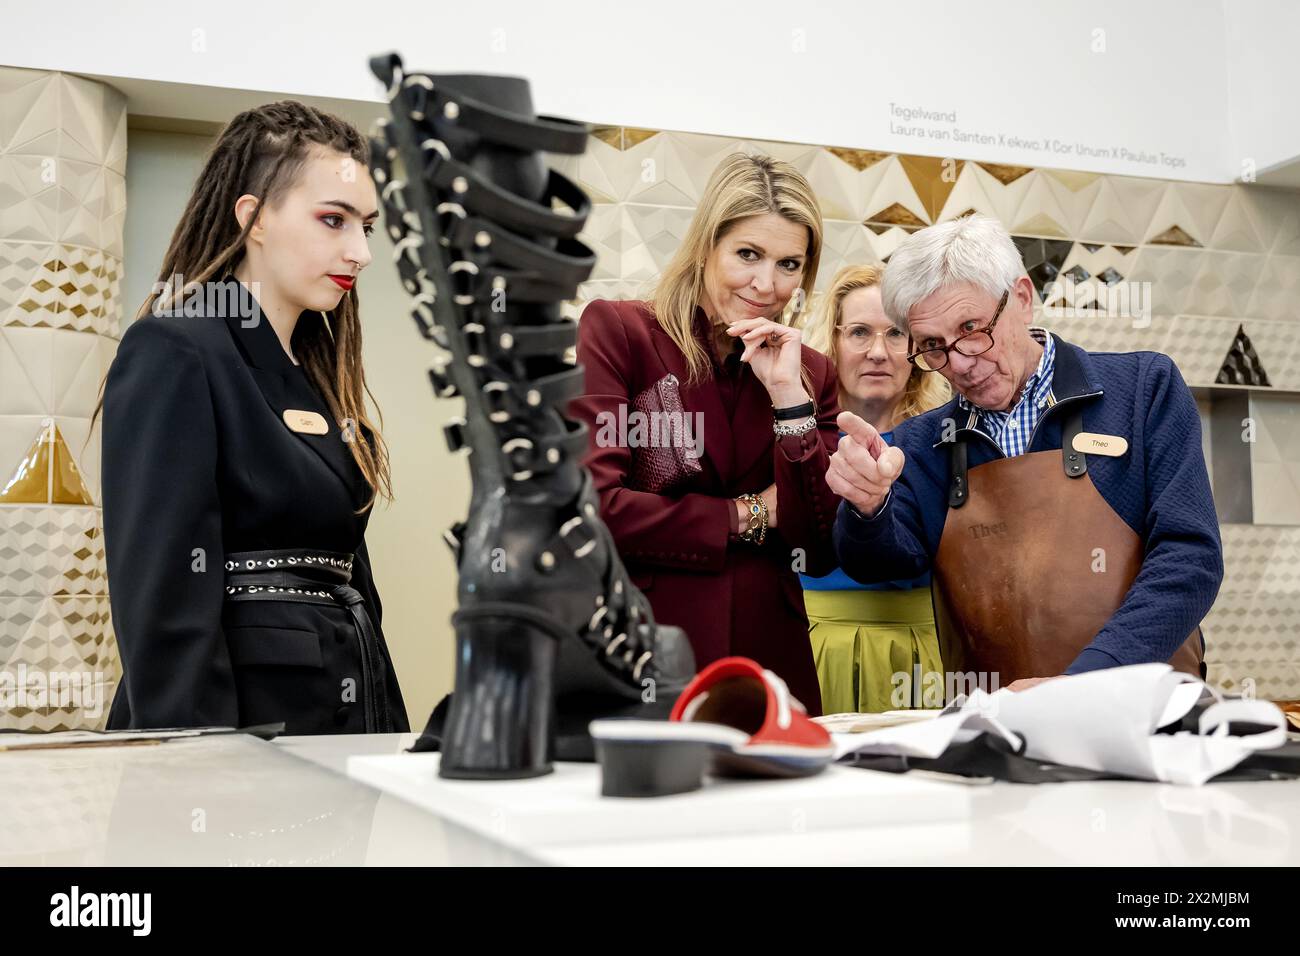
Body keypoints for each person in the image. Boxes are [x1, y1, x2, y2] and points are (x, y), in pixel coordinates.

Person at [96, 101, 409, 733]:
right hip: (235, 738)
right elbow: (163, 604)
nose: (360, 252)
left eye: (367, 227)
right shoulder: (175, 347)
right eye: (333, 220)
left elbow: (350, 580)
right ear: (254, 218)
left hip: (343, 717)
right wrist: (202, 764)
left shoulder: (318, 376)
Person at [829, 214, 1221, 693]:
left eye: (971, 328)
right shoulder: (921, 443)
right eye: (933, 346)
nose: (960, 364)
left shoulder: (1144, 390)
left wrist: (1082, 683)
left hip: (1144, 707)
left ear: (1021, 298)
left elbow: (1189, 558)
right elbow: (881, 564)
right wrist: (867, 508)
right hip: (999, 727)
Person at [569, 152, 842, 714]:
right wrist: (747, 515)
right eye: (748, 254)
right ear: (705, 247)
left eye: (790, 265)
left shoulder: (811, 371)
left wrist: (791, 404)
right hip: (650, 647)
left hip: (772, 660)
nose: (767, 284)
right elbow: (596, 508)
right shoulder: (621, 332)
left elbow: (817, 547)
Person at [800, 265, 950, 713]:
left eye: (896, 334)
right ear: (832, 342)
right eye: (860, 332)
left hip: (925, 653)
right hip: (814, 649)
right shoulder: (795, 440)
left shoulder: (950, 439)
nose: (878, 353)